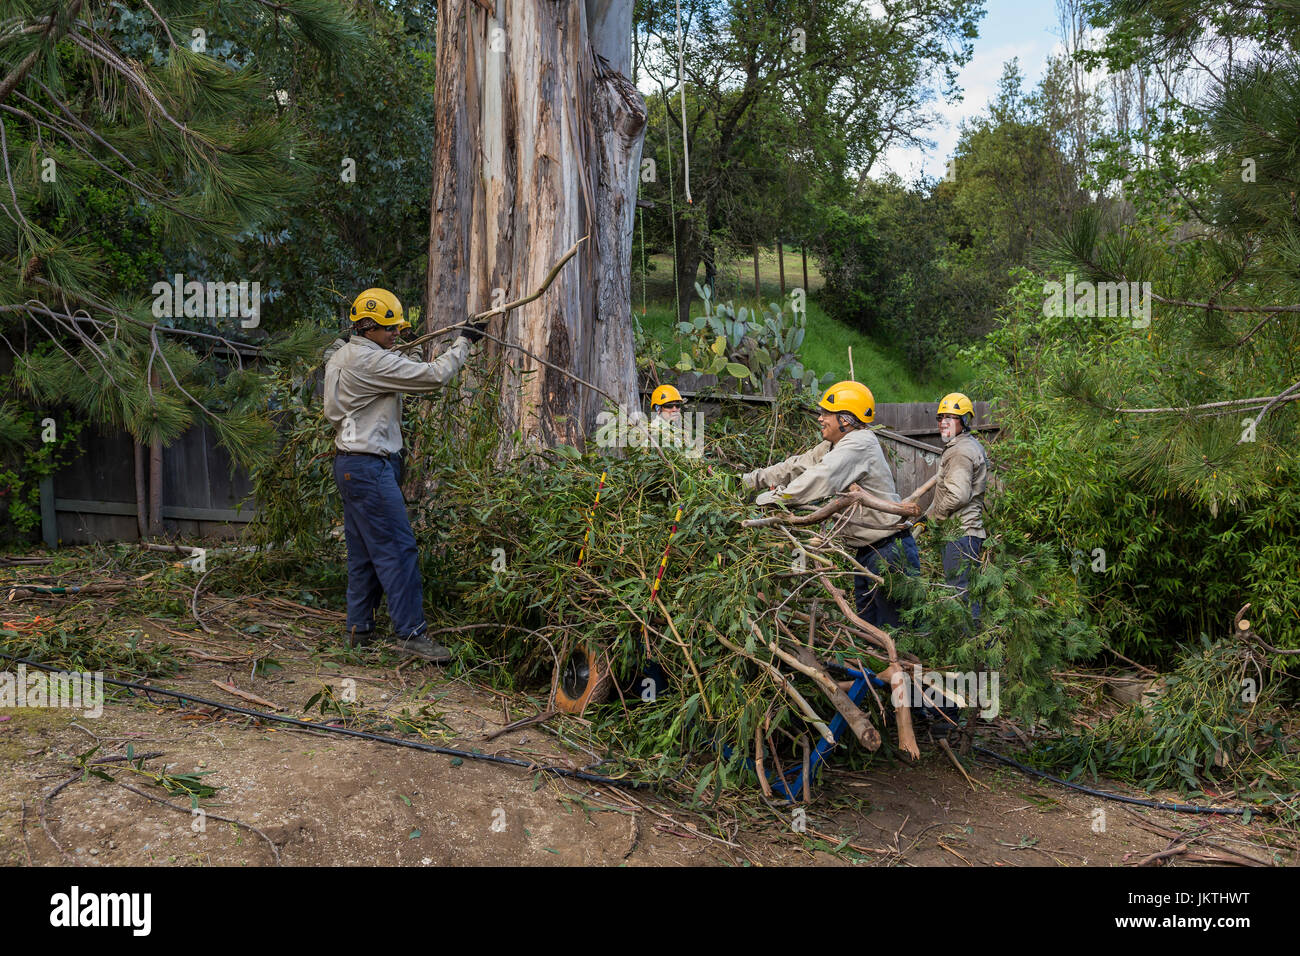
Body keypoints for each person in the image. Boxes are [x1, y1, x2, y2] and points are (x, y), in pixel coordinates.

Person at [323, 287, 486, 661]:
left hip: (350, 465)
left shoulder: (344, 356)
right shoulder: (371, 363)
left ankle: (358, 629)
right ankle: (412, 634)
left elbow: (393, 373)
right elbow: (433, 378)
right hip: (369, 466)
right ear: (367, 326)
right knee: (398, 549)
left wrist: (403, 352)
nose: (396, 333)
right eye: (389, 328)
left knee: (363, 553)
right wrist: (465, 342)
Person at [740, 380, 920, 628]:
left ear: (845, 419)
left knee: (897, 633)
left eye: (826, 413)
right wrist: (748, 481)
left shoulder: (860, 443)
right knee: (871, 636)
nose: (820, 418)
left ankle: (903, 667)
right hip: (867, 552)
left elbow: (821, 477)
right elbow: (796, 466)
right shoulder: (833, 445)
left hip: (890, 551)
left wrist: (774, 500)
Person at [922, 392, 989, 622]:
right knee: (964, 593)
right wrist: (926, 515)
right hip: (963, 534)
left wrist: (935, 518)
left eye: (951, 417)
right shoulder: (964, 446)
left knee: (960, 596)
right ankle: (974, 647)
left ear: (965, 422)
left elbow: (958, 496)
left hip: (960, 534)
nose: (943, 422)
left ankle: (969, 649)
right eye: (941, 417)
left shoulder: (960, 451)